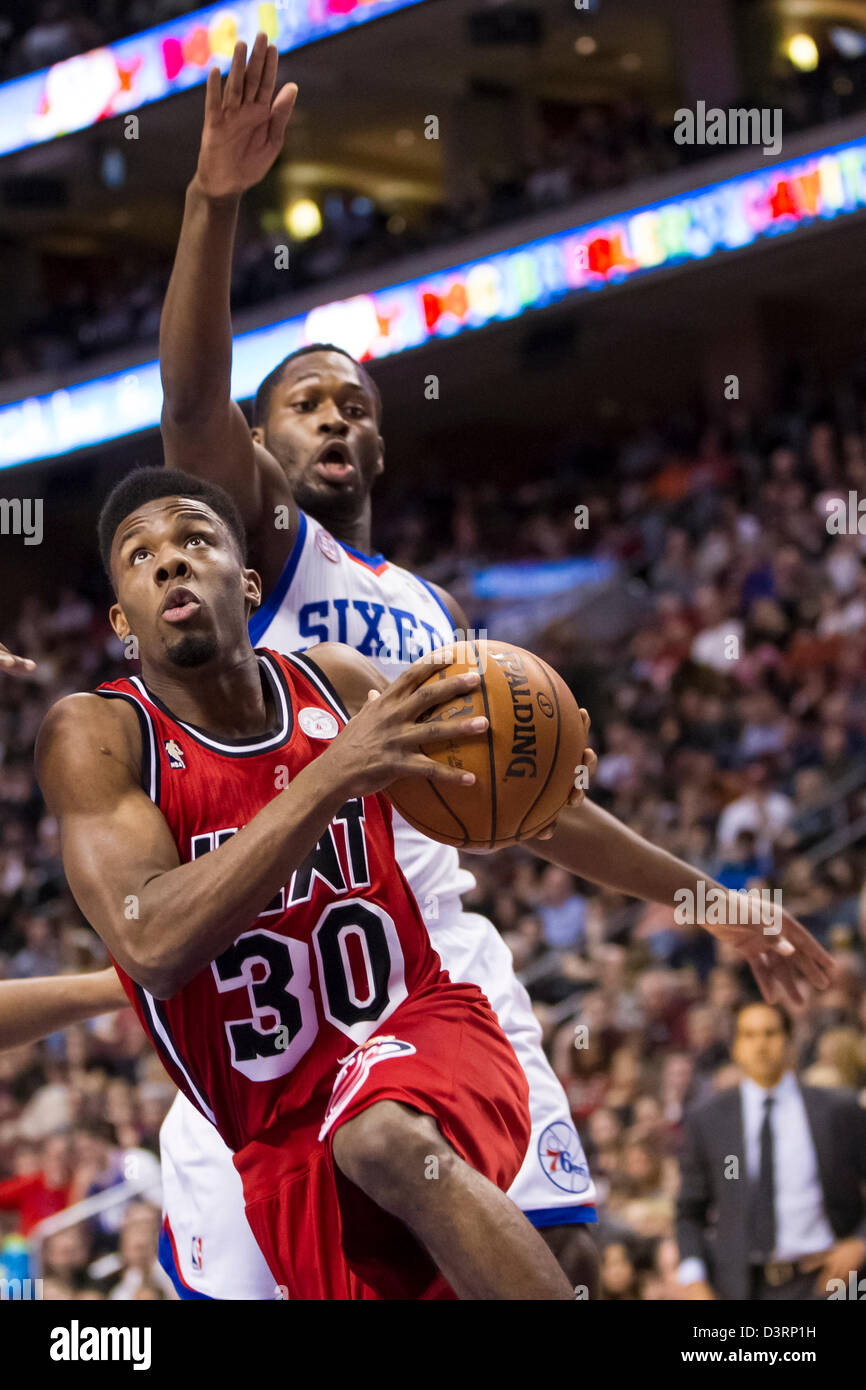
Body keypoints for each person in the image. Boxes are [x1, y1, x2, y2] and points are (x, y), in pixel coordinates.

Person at [154, 34, 835, 1299]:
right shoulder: (252, 550)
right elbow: (192, 403)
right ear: (262, 445)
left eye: (359, 406)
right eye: (311, 403)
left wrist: (715, 901)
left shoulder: (431, 611)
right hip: (270, 982)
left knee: (549, 1248)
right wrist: (212, 202)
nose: (342, 420)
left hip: (428, 958)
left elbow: (545, 811)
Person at [36, 466, 577, 1300]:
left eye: (195, 540)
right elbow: (152, 942)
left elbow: (488, 787)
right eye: (140, 557)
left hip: (425, 1031)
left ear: (248, 581)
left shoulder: (337, 680)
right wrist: (330, 780)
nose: (171, 563)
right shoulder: (100, 733)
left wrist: (552, 771)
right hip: (276, 1137)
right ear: (122, 623)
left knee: (383, 1140)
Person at [676, 1001, 866, 1301]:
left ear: (790, 1042)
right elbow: (689, 1211)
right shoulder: (709, 1119)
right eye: (749, 1035)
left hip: (831, 1281)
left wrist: (860, 1242)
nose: (760, 1044)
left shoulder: (837, 1110)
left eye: (770, 1033)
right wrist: (693, 1278)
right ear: (736, 1047)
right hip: (742, 1286)